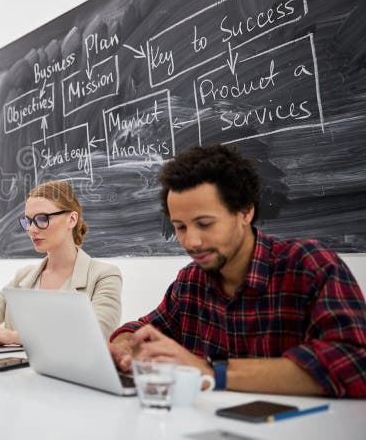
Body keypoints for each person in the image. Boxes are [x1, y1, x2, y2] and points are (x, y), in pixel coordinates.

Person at [108, 144, 366, 397]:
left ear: (245, 212)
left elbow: (355, 363)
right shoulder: (191, 280)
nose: (191, 242)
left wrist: (211, 371)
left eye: (205, 224)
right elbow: (143, 329)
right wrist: (125, 347)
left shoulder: (309, 265)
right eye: (181, 227)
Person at [0, 180, 122, 344]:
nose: (32, 229)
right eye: (28, 221)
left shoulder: (104, 276)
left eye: (42, 219)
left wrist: (12, 337)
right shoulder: (24, 276)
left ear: (72, 219)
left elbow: (95, 333)